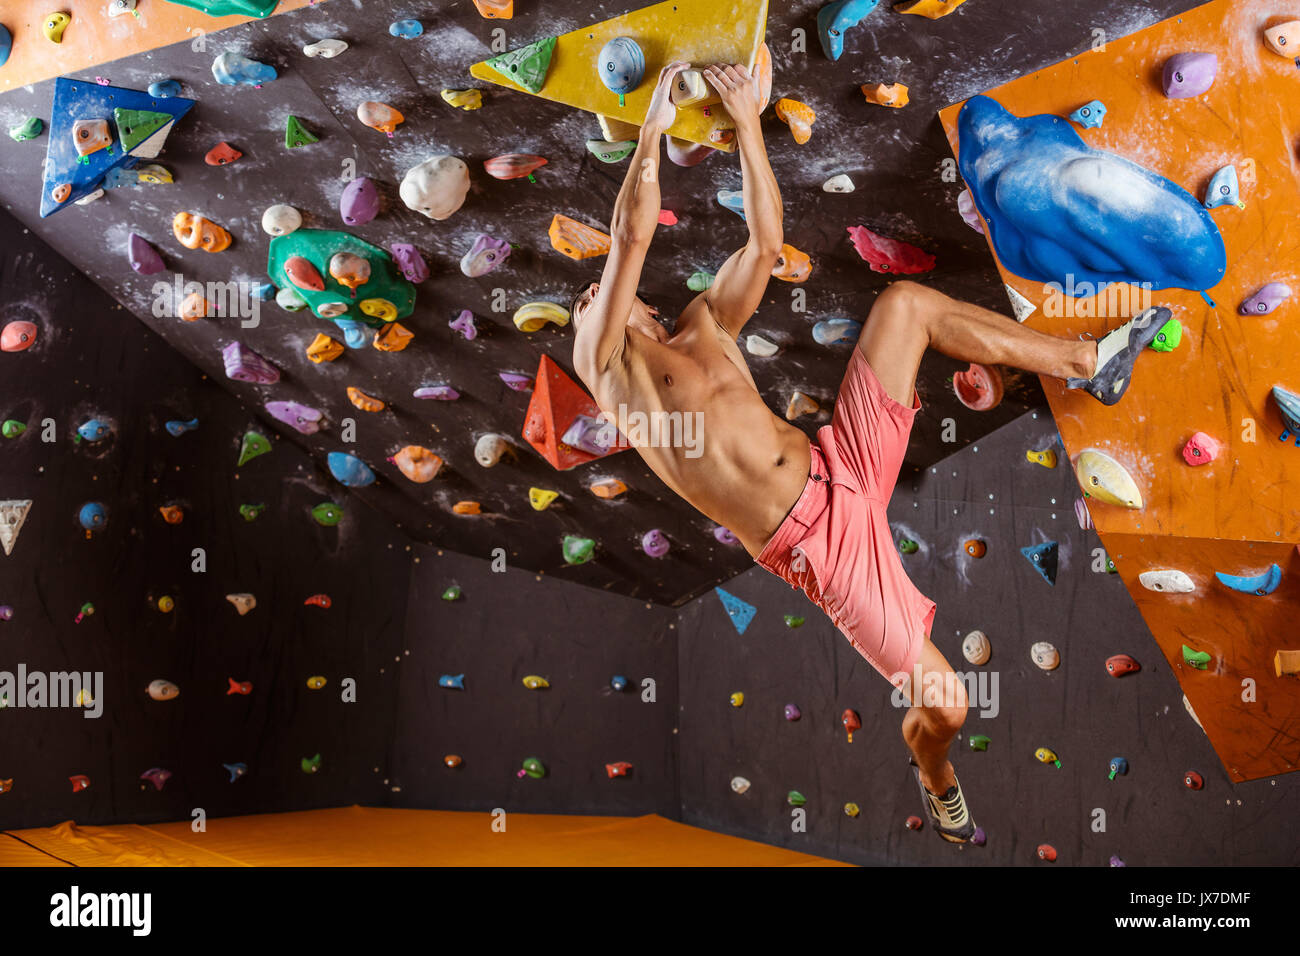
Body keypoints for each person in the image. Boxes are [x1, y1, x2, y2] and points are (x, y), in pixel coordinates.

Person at [570, 60, 1169, 842]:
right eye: (583, 304)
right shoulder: (608, 366)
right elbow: (630, 232)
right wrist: (652, 120)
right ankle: (934, 771)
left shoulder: (704, 323)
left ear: (642, 304)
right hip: (817, 544)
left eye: (586, 298)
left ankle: (1091, 365)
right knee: (949, 703)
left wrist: (749, 122)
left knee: (907, 304)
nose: (584, 308)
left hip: (839, 460)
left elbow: (766, 240)